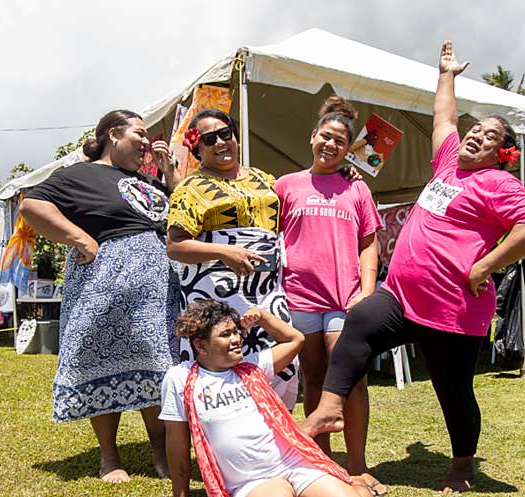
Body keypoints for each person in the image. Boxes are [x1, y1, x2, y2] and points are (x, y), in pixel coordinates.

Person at [301, 41, 525, 493]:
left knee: (453, 391)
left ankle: (461, 466)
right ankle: (328, 407)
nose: (476, 136)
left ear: (502, 154)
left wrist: (485, 268)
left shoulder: (497, 183)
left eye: (490, 136)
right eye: (477, 130)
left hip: (454, 307)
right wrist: (447, 75)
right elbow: (444, 119)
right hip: (402, 293)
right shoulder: (447, 164)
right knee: (359, 320)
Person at [20, 109, 182, 483]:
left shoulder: (149, 180)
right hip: (104, 284)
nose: (146, 141)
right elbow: (32, 204)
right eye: (139, 134)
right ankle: (109, 457)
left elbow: (183, 210)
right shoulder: (80, 174)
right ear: (113, 134)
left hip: (158, 289)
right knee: (101, 360)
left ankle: (160, 449)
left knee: (159, 364)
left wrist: (169, 172)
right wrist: (80, 238)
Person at [273, 95, 386, 496]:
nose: (330, 145)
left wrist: (368, 293)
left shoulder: (357, 190)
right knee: (315, 380)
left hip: (346, 301)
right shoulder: (286, 185)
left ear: (347, 148)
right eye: (325, 136)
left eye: (340, 141)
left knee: (352, 381)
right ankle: (323, 464)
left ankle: (358, 467)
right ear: (312, 137)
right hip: (299, 298)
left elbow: (369, 242)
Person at [159, 299, 373, 497]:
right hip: (252, 480)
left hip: (295, 464)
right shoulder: (182, 379)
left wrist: (262, 316)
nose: (236, 339)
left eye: (235, 332)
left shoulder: (253, 366)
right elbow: (177, 443)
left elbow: (295, 339)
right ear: (201, 346)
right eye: (226, 335)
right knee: (279, 492)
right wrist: (181, 494)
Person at [166, 108, 300, 409]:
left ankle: (273, 439)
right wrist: (224, 251)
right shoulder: (190, 188)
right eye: (209, 138)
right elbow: (174, 246)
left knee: (280, 359)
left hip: (267, 292)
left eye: (225, 134)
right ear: (197, 147)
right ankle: (222, 440)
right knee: (222, 364)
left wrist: (341, 173)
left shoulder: (265, 180)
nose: (219, 143)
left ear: (235, 136)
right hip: (217, 295)